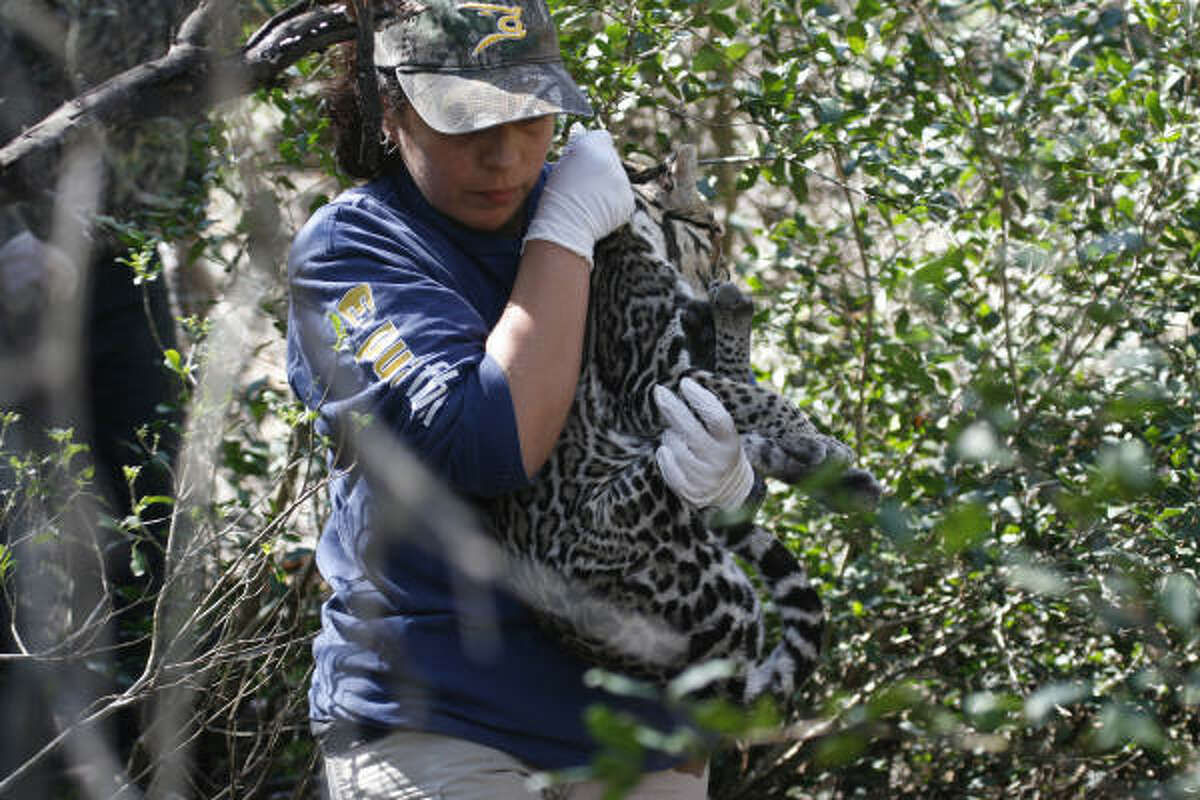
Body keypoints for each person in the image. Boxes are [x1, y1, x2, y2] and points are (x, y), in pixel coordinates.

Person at [286, 2, 755, 797]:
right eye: (465, 123)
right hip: (440, 721)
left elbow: (712, 429)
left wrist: (731, 481)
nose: (504, 157)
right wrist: (565, 231)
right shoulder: (353, 251)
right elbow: (489, 442)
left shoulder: (618, 221)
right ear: (393, 112)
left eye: (531, 117)